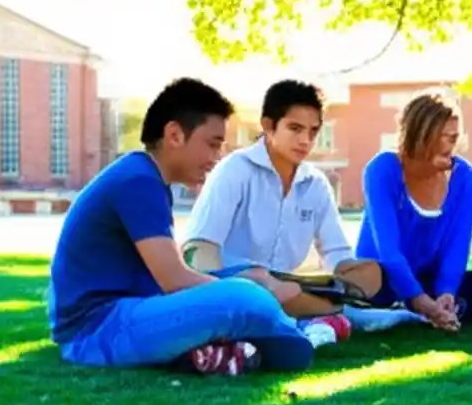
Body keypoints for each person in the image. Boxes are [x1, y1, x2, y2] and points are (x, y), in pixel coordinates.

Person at [47, 78, 314, 375]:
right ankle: (294, 333)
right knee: (244, 297)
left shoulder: (144, 177)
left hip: (124, 312)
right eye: (212, 144)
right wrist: (250, 291)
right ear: (174, 134)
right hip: (98, 331)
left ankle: (227, 345)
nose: (217, 158)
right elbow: (173, 279)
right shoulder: (138, 181)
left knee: (249, 277)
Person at [180, 79, 381, 324]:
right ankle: (333, 314)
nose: (305, 140)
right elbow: (200, 248)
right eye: (295, 129)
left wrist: (356, 275)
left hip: (290, 286)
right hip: (238, 285)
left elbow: (336, 252)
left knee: (371, 274)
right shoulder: (235, 170)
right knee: (268, 289)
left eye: (313, 131)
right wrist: (220, 291)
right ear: (268, 125)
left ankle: (327, 311)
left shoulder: (315, 183)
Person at [355, 90, 472, 330]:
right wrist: (420, 301)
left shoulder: (464, 176)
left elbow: (458, 246)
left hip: (427, 278)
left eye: (454, 137)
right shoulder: (382, 169)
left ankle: (442, 309)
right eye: (443, 137)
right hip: (383, 276)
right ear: (419, 135)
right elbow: (389, 251)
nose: (451, 144)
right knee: (370, 283)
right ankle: (412, 308)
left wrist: (446, 293)